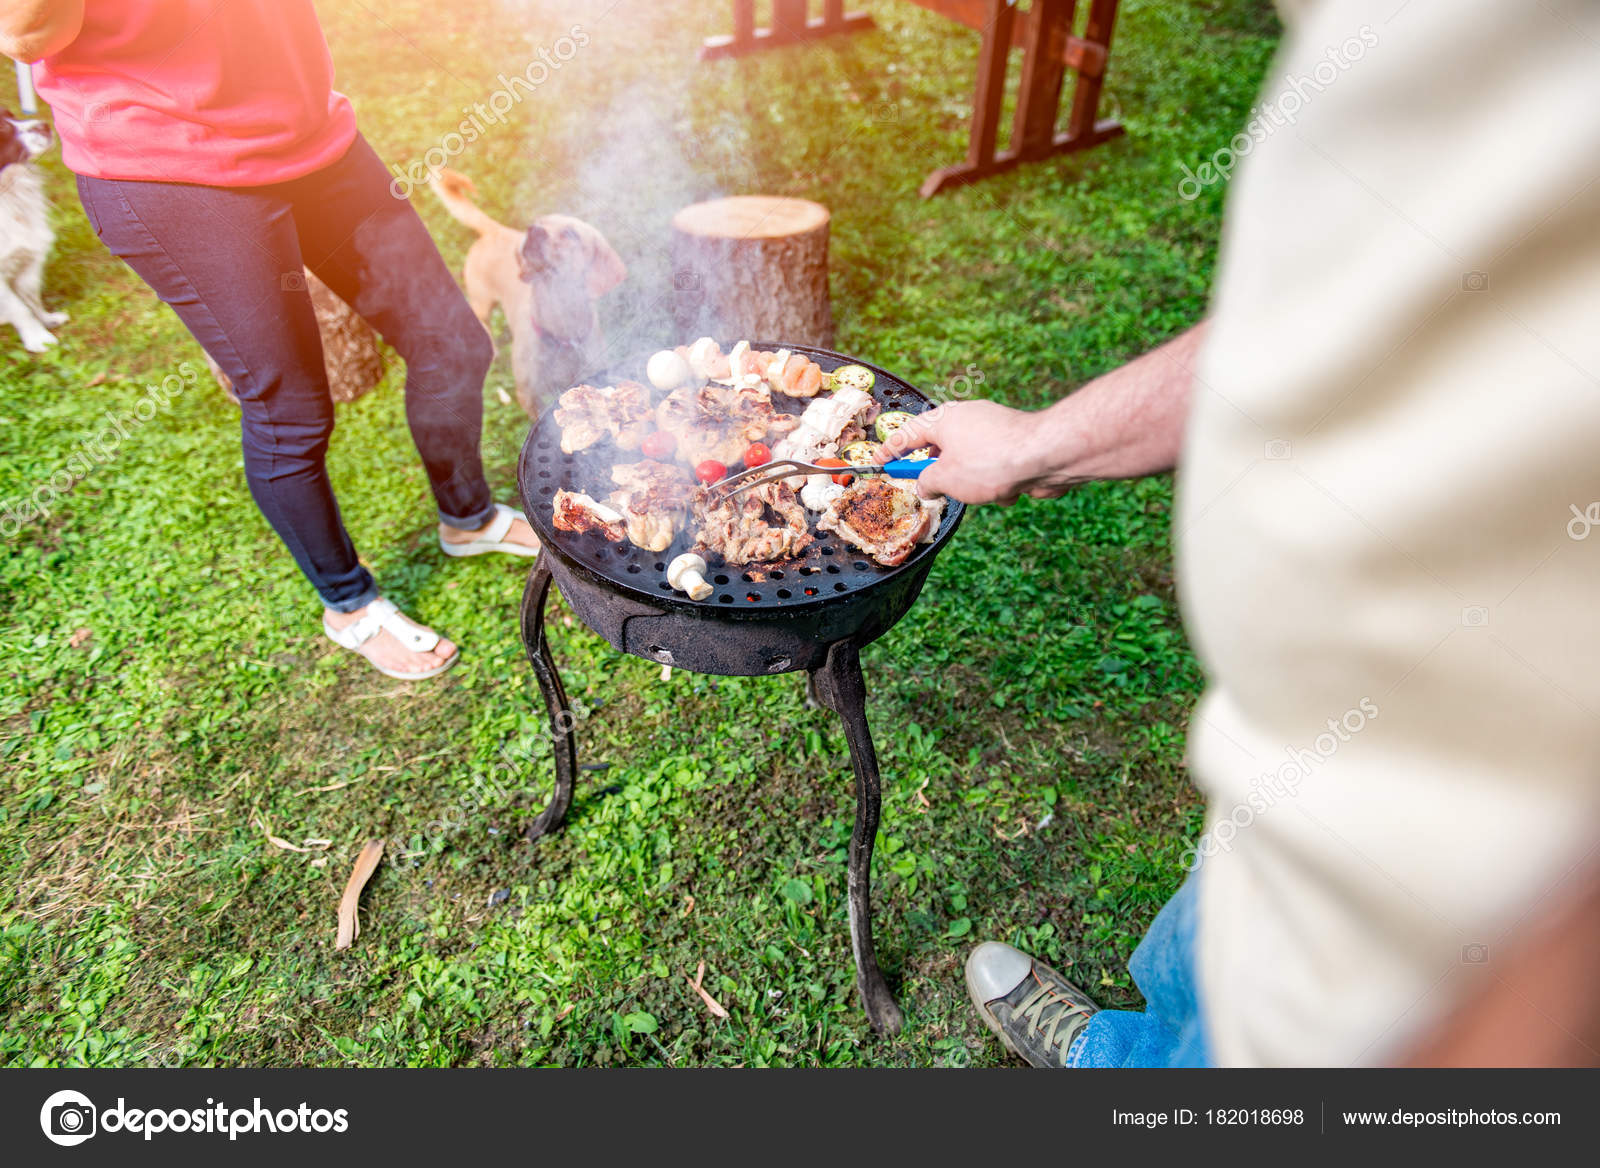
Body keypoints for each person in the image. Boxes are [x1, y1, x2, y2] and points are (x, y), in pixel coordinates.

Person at [882, 0, 1600, 1066]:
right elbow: (1332, 311)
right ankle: (1145, 1029)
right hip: (1308, 734)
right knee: (1223, 911)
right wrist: (1036, 444)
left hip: (1450, 925)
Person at [1, 1, 543, 681]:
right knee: (291, 413)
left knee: (453, 342)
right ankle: (348, 604)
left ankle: (466, 516)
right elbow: (25, 33)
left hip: (307, 129)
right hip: (172, 169)